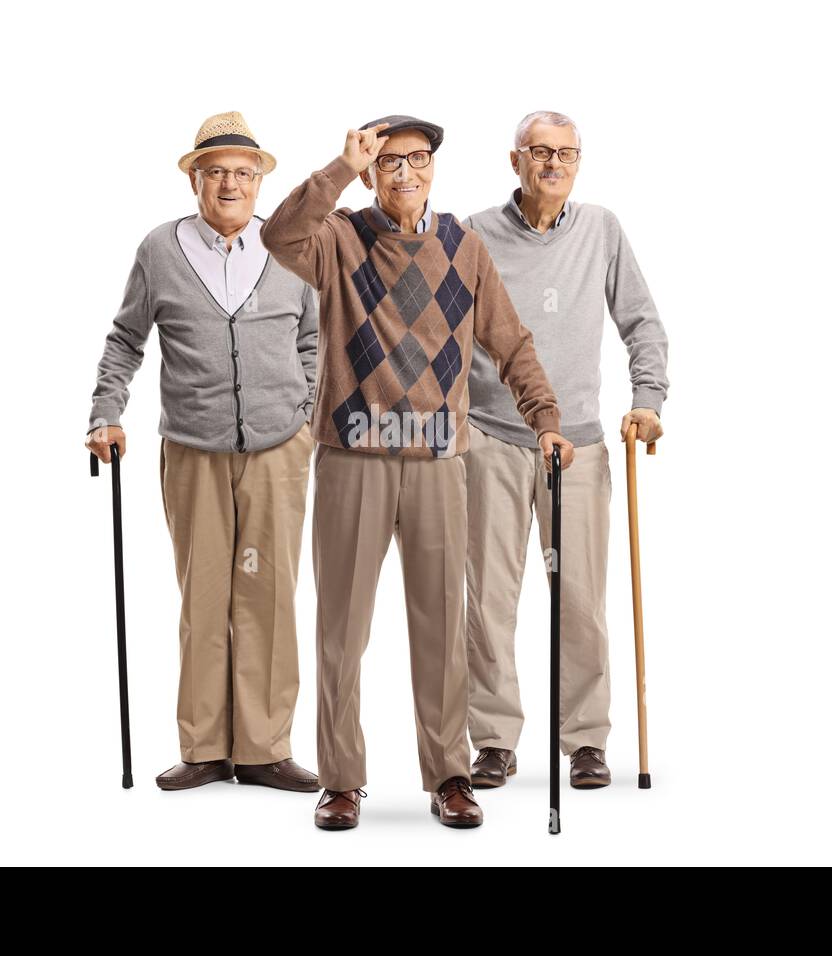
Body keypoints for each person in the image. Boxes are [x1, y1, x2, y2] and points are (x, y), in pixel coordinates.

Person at [260, 114, 574, 829]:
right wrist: (338, 169)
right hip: (352, 459)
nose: (406, 173)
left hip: (438, 460)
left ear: (435, 166)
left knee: (440, 627)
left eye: (419, 159)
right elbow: (279, 238)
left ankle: (449, 775)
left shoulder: (464, 248)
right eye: (389, 162)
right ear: (371, 172)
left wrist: (546, 420)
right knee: (342, 629)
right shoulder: (340, 237)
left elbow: (509, 339)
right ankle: (341, 779)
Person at [84, 111, 321, 795]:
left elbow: (315, 339)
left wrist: (306, 414)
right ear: (195, 179)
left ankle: (265, 747)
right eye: (215, 171)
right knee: (205, 592)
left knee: (269, 592)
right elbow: (126, 340)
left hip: (280, 445)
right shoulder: (160, 250)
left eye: (243, 173)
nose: (230, 184)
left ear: (258, 182)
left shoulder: (289, 246)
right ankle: (205, 746)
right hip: (192, 445)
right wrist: (106, 413)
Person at [462, 110, 670, 790]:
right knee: (490, 597)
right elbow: (443, 334)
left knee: (578, 599)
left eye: (567, 153)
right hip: (490, 439)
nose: (554, 163)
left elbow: (641, 322)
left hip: (576, 447)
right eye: (540, 152)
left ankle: (585, 740)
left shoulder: (601, 230)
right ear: (515, 160)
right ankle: (493, 741)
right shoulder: (474, 234)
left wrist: (647, 400)